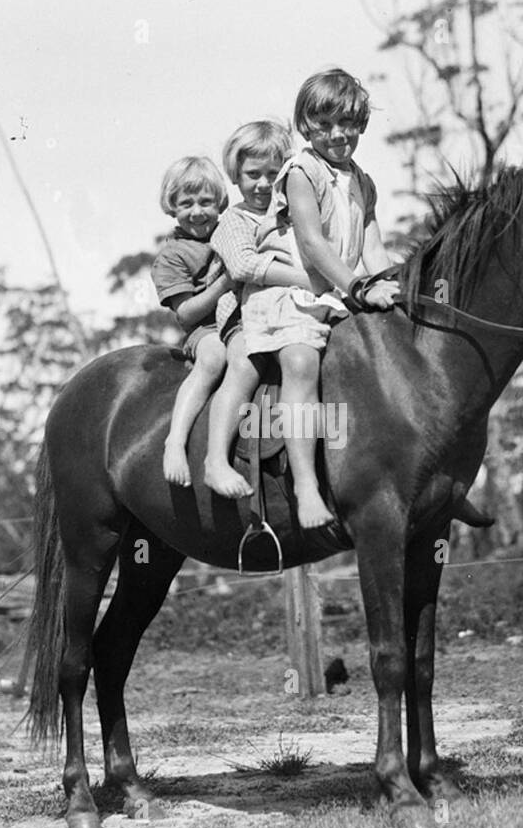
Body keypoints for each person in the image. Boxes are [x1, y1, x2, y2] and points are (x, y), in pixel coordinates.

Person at [246, 68, 398, 528]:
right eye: (325, 125)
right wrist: (357, 287)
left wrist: (397, 286)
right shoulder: (301, 172)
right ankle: (306, 487)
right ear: (306, 127)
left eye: (349, 124)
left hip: (341, 294)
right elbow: (312, 243)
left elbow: (373, 249)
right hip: (294, 293)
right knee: (301, 362)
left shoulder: (363, 181)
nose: (338, 135)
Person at [204, 120, 317, 498]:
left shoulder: (291, 214)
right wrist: (306, 279)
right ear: (236, 176)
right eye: (253, 174)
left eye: (274, 173)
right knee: (243, 364)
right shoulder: (232, 221)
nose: (264, 184)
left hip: (293, 312)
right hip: (243, 316)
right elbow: (243, 266)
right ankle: (215, 459)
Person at [152, 156, 240, 486]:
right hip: (207, 329)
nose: (197, 212)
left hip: (245, 320)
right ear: (171, 207)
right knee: (215, 356)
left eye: (205, 202)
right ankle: (175, 440)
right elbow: (185, 313)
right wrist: (224, 284)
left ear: (220, 203)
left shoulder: (232, 232)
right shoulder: (173, 254)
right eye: (186, 204)